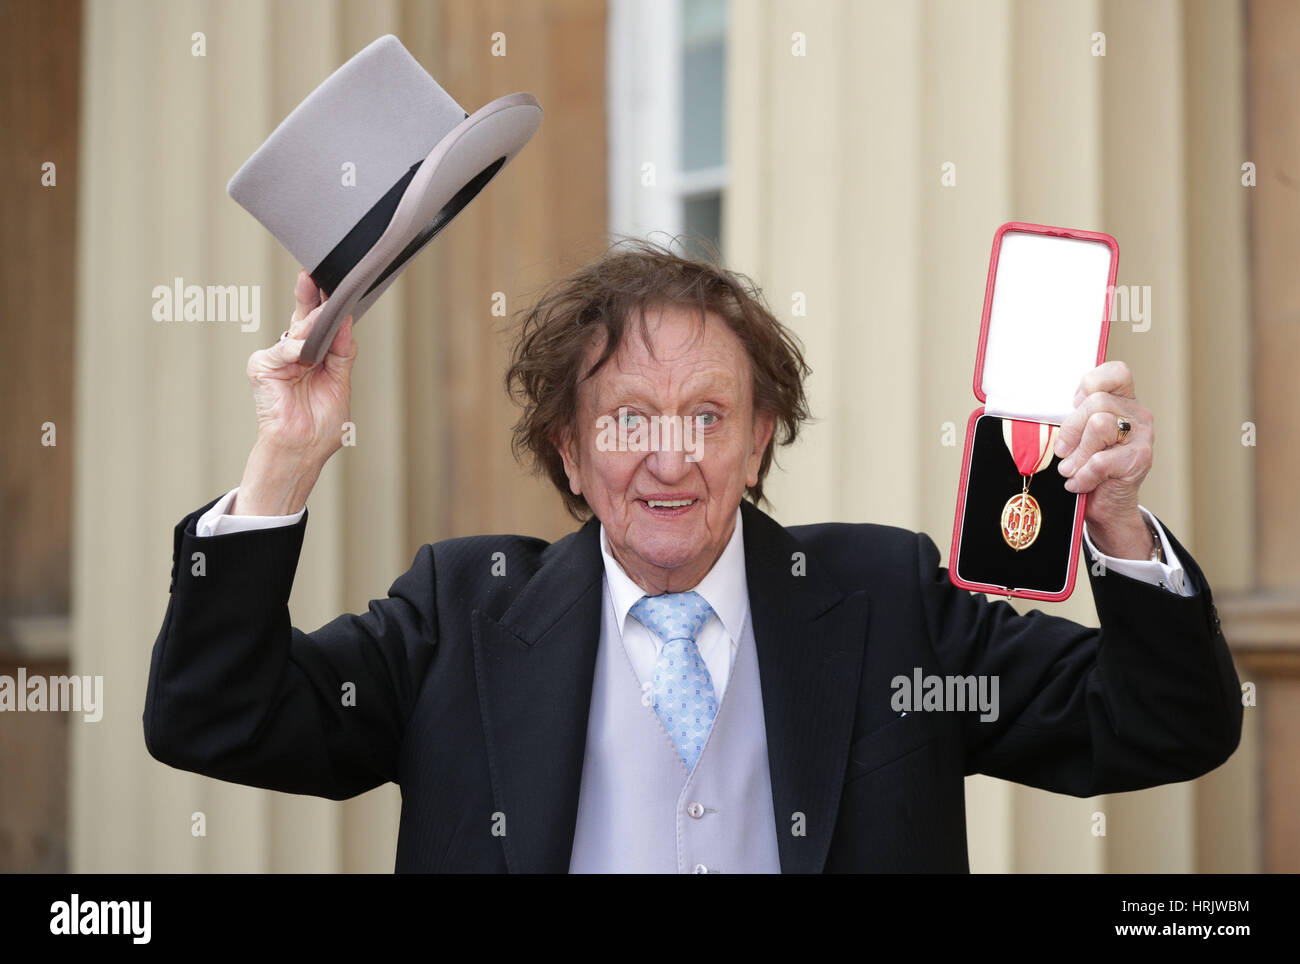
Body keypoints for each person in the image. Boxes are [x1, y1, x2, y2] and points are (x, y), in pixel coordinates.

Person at [143, 242, 1242, 873]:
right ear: (569, 452)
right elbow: (214, 713)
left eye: (710, 415)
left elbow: (1162, 721)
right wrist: (284, 457)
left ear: (762, 438)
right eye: (626, 418)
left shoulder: (887, 600)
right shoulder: (455, 616)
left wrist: (1114, 526)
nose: (669, 458)